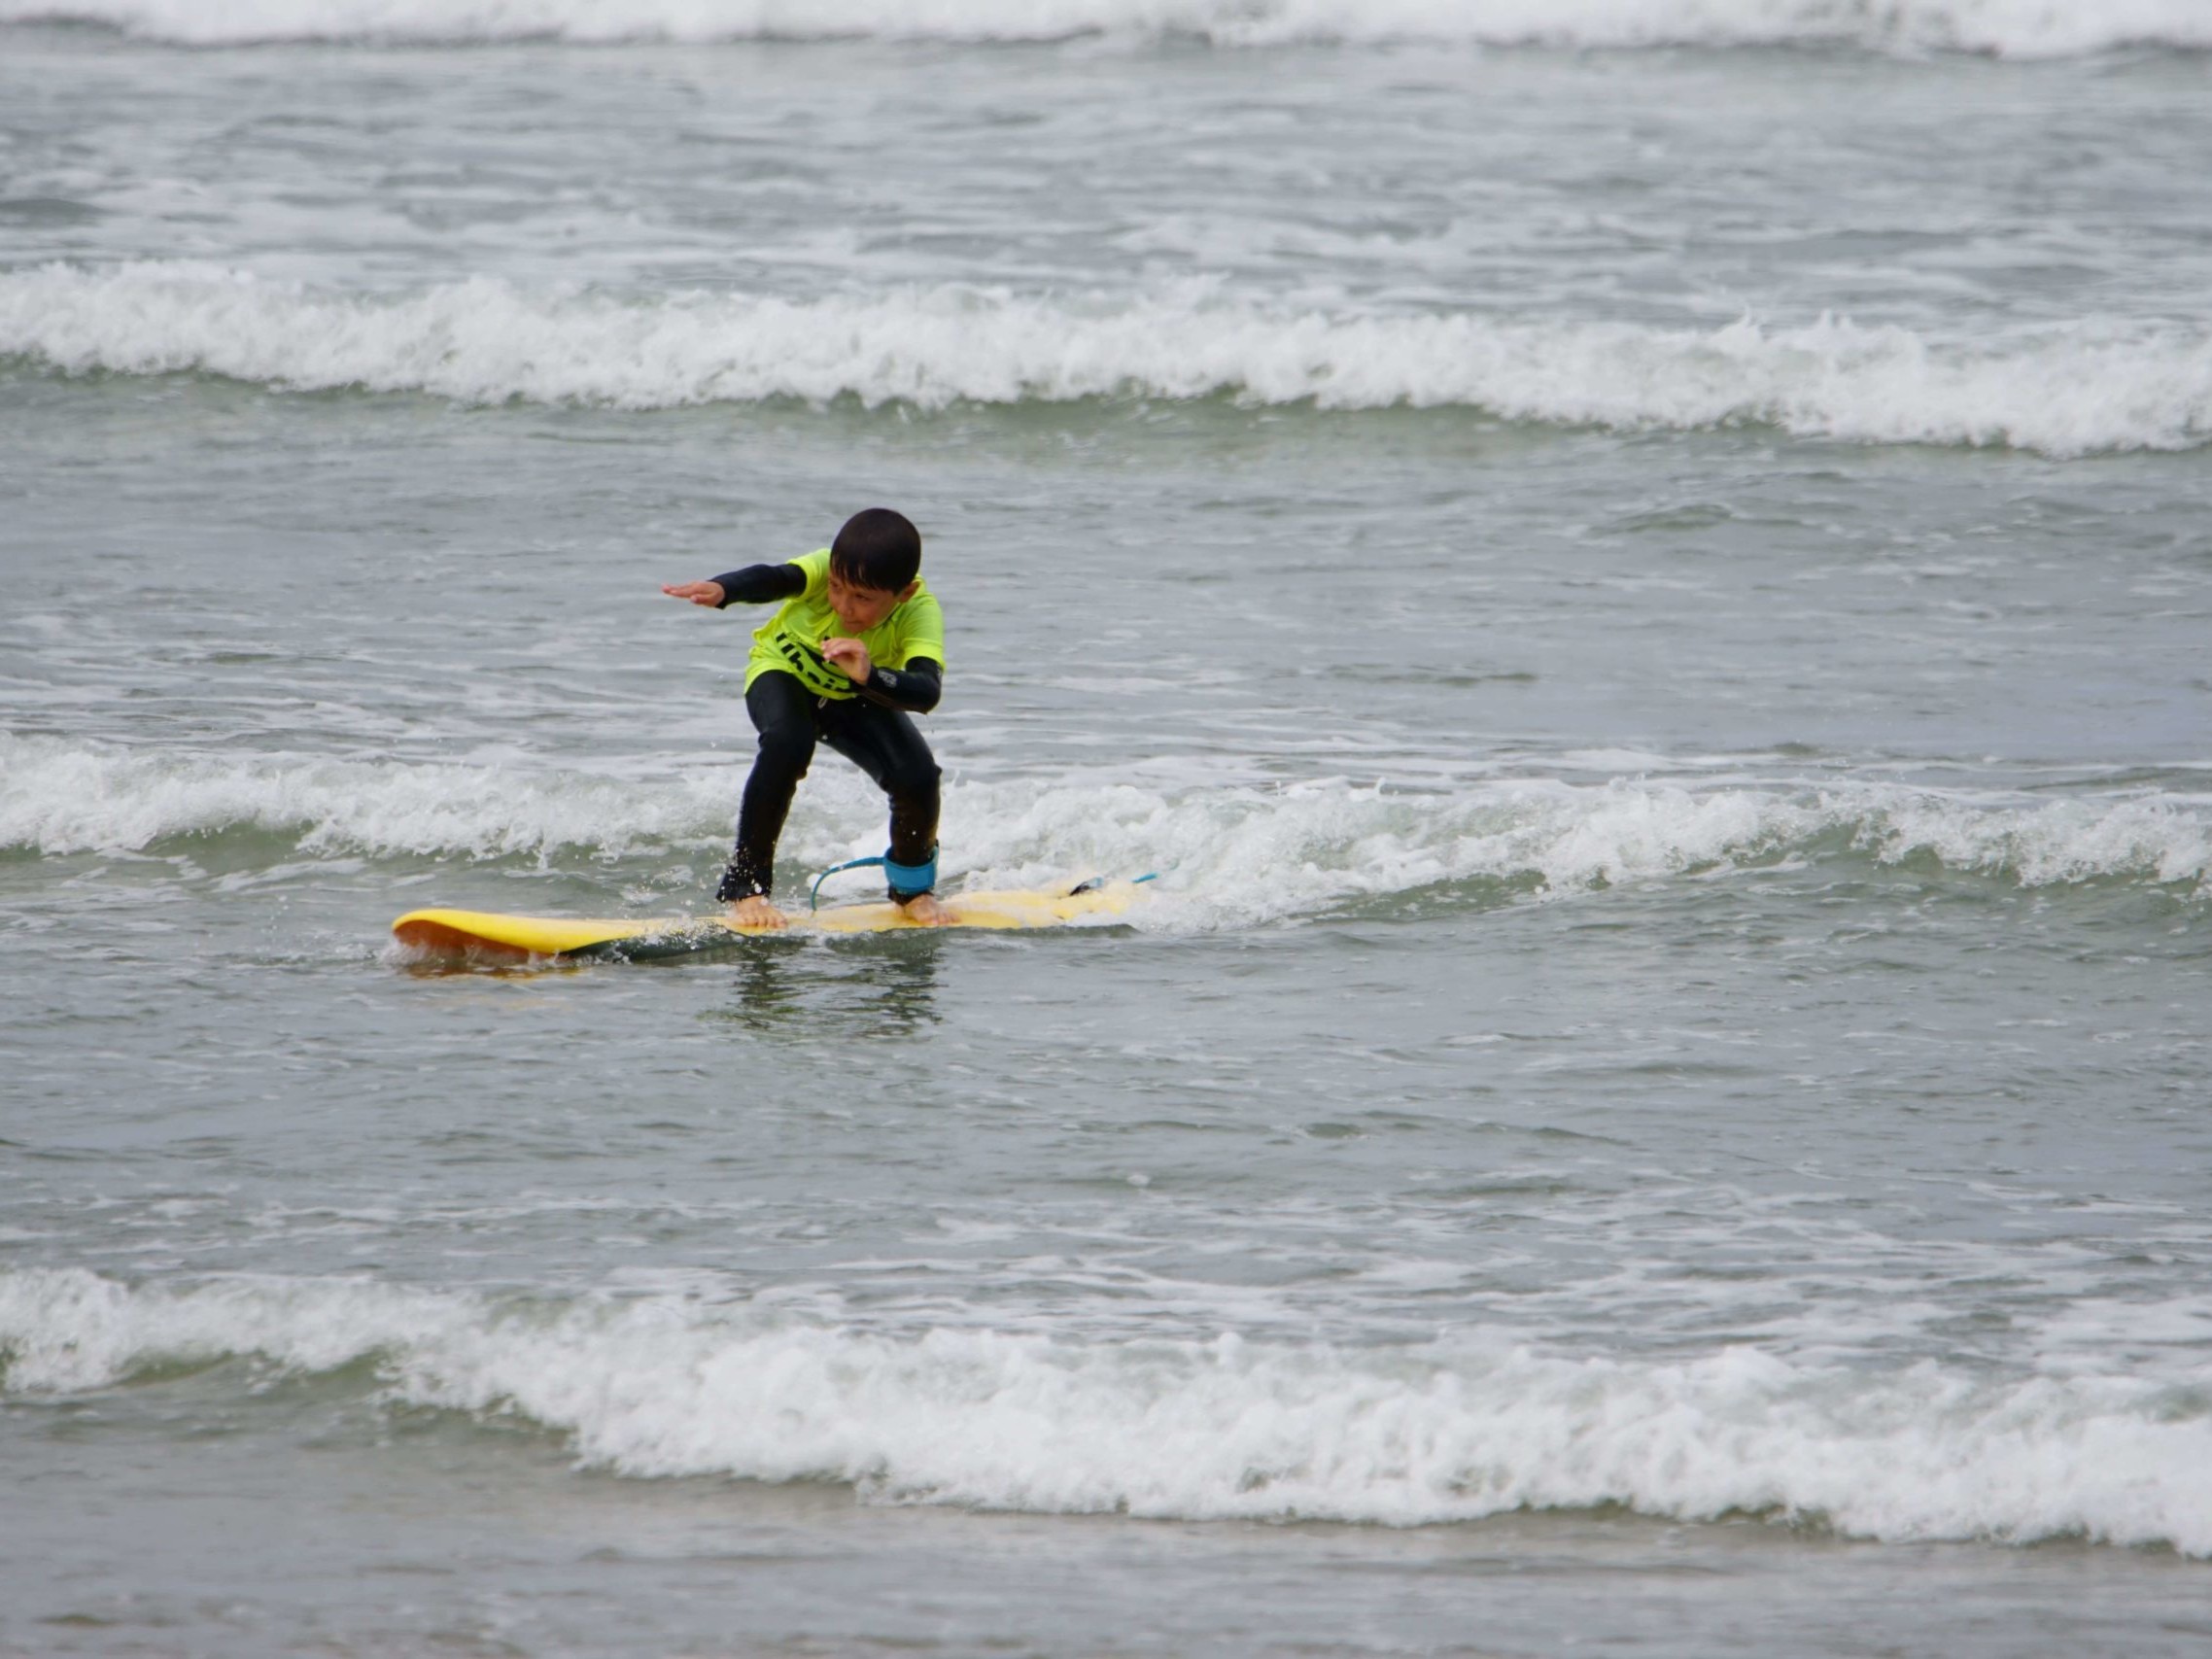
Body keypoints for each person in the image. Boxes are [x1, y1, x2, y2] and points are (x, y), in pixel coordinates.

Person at [662, 507, 950, 929]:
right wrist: (726, 588)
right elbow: (777, 578)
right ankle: (746, 890)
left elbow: (926, 691)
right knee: (788, 742)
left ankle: (912, 892)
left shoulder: (919, 612)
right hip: (781, 672)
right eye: (836, 589)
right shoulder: (825, 566)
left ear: (904, 593)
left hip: (852, 693)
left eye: (863, 599)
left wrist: (871, 675)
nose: (844, 606)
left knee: (918, 776)